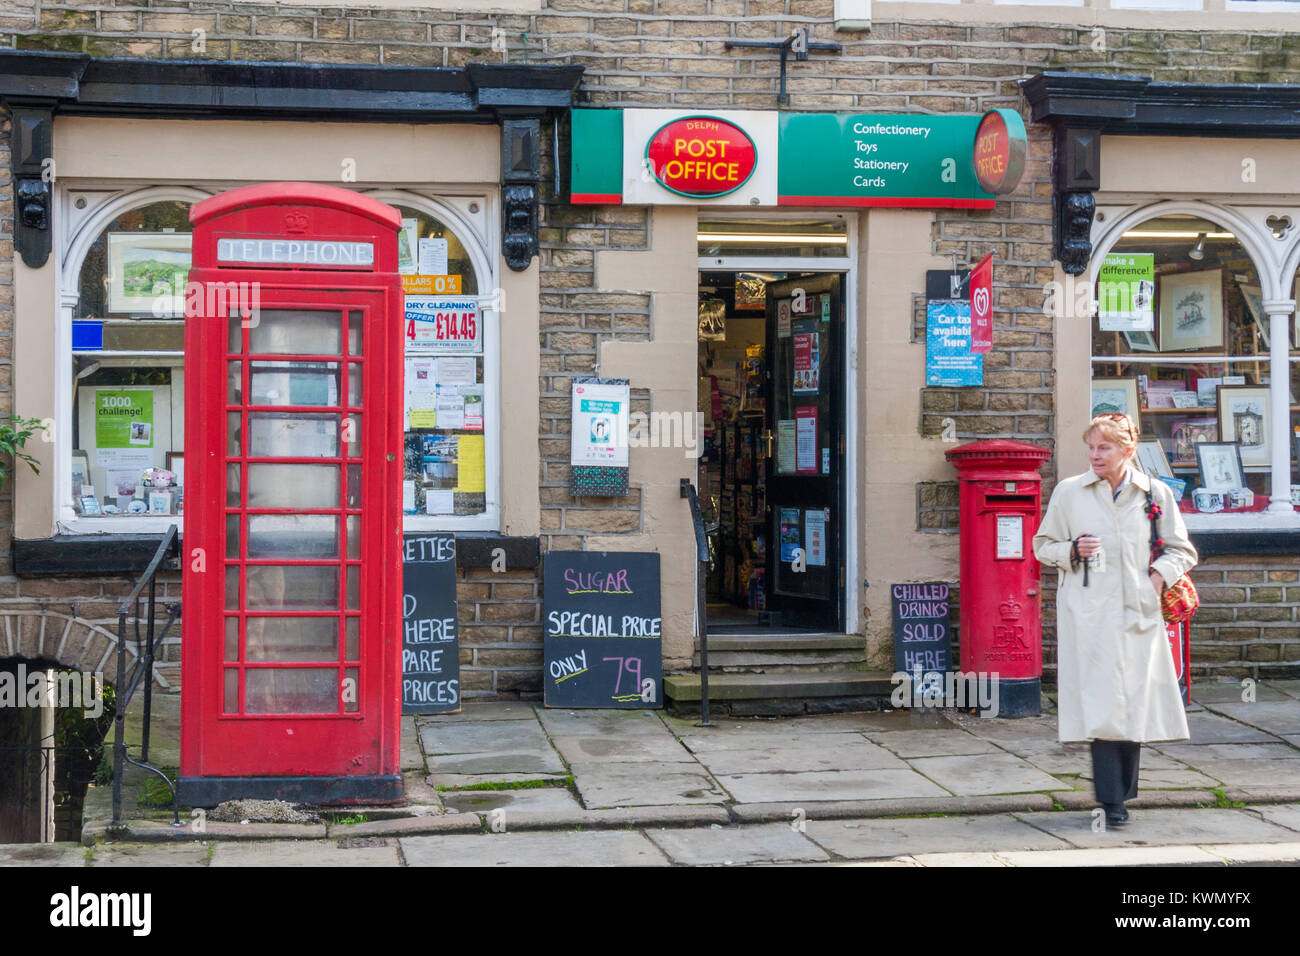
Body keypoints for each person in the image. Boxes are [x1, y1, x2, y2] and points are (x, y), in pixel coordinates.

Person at [1032, 413, 1197, 828]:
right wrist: (1072, 549)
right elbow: (1041, 545)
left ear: (1127, 450)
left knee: (1132, 701)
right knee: (1104, 703)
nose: (1094, 455)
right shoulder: (1071, 493)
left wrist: (1159, 576)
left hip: (1138, 612)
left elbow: (1182, 550)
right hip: (1088, 613)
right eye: (1091, 447)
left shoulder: (1154, 494)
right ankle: (1112, 801)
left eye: (1103, 447)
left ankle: (1121, 794)